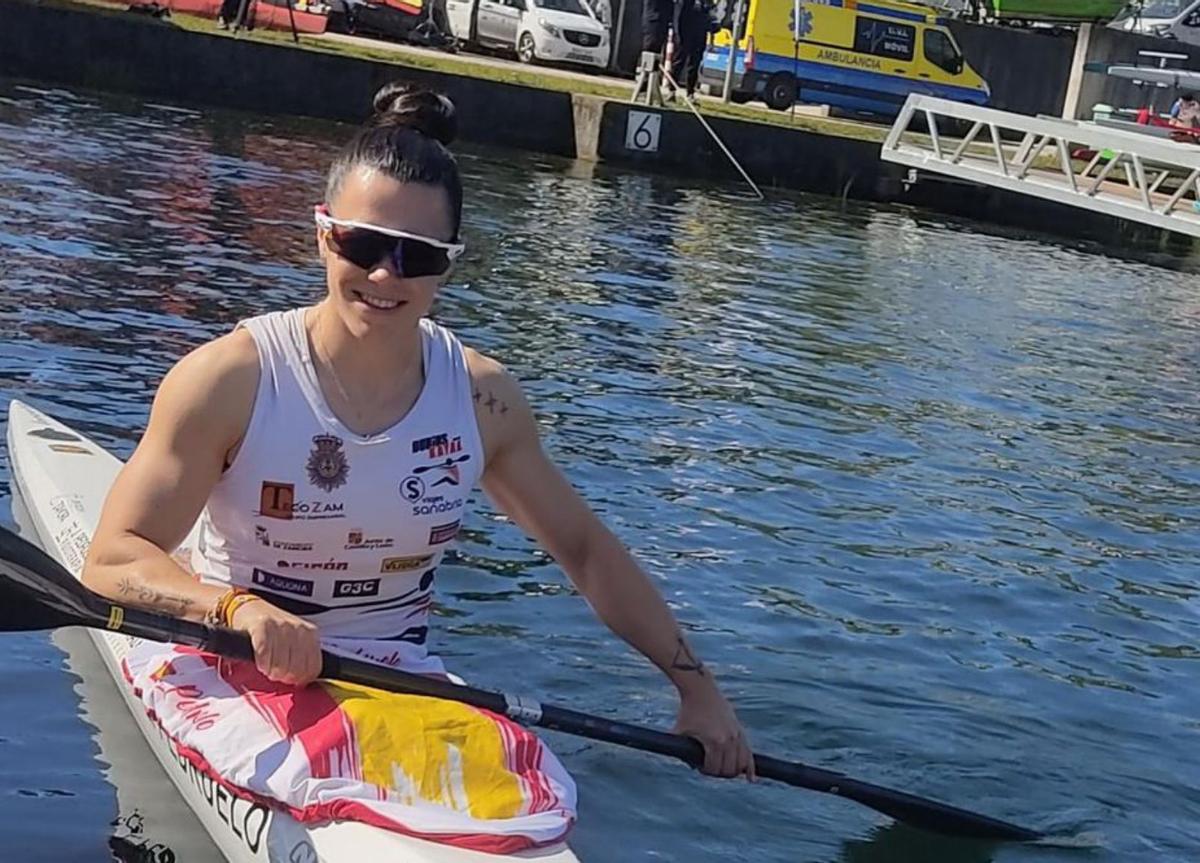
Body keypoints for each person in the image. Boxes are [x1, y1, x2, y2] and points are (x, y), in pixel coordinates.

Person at [82, 82, 755, 782]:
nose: (384, 274)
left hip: (396, 679)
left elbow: (585, 551)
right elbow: (111, 558)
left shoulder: (479, 398)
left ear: (450, 262)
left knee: (538, 790)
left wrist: (697, 689)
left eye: (417, 255)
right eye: (363, 243)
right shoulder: (229, 380)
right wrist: (239, 608)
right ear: (322, 232)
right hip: (227, 655)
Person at [669, 0, 712, 100]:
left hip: (699, 32)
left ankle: (690, 92)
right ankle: (672, 90)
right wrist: (677, 33)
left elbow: (709, 12)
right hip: (684, 31)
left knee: (695, 63)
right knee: (678, 61)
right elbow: (678, 13)